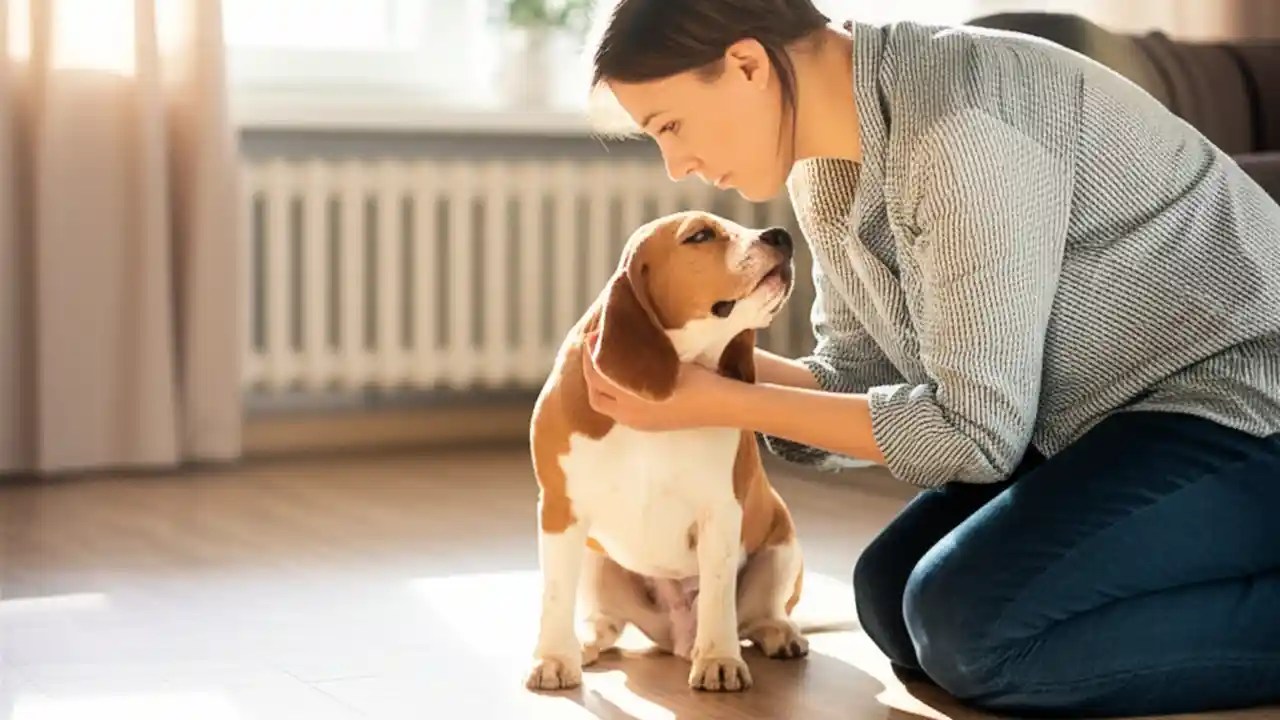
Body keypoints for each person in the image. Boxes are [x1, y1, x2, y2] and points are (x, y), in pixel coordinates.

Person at [574, 0, 1280, 717]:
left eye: (670, 126)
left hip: (1242, 403)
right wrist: (689, 372)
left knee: (968, 631)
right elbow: (859, 372)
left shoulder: (959, 130)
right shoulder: (823, 166)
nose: (676, 163)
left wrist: (727, 403)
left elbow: (975, 435)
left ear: (747, 65)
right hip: (1106, 419)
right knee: (889, 597)